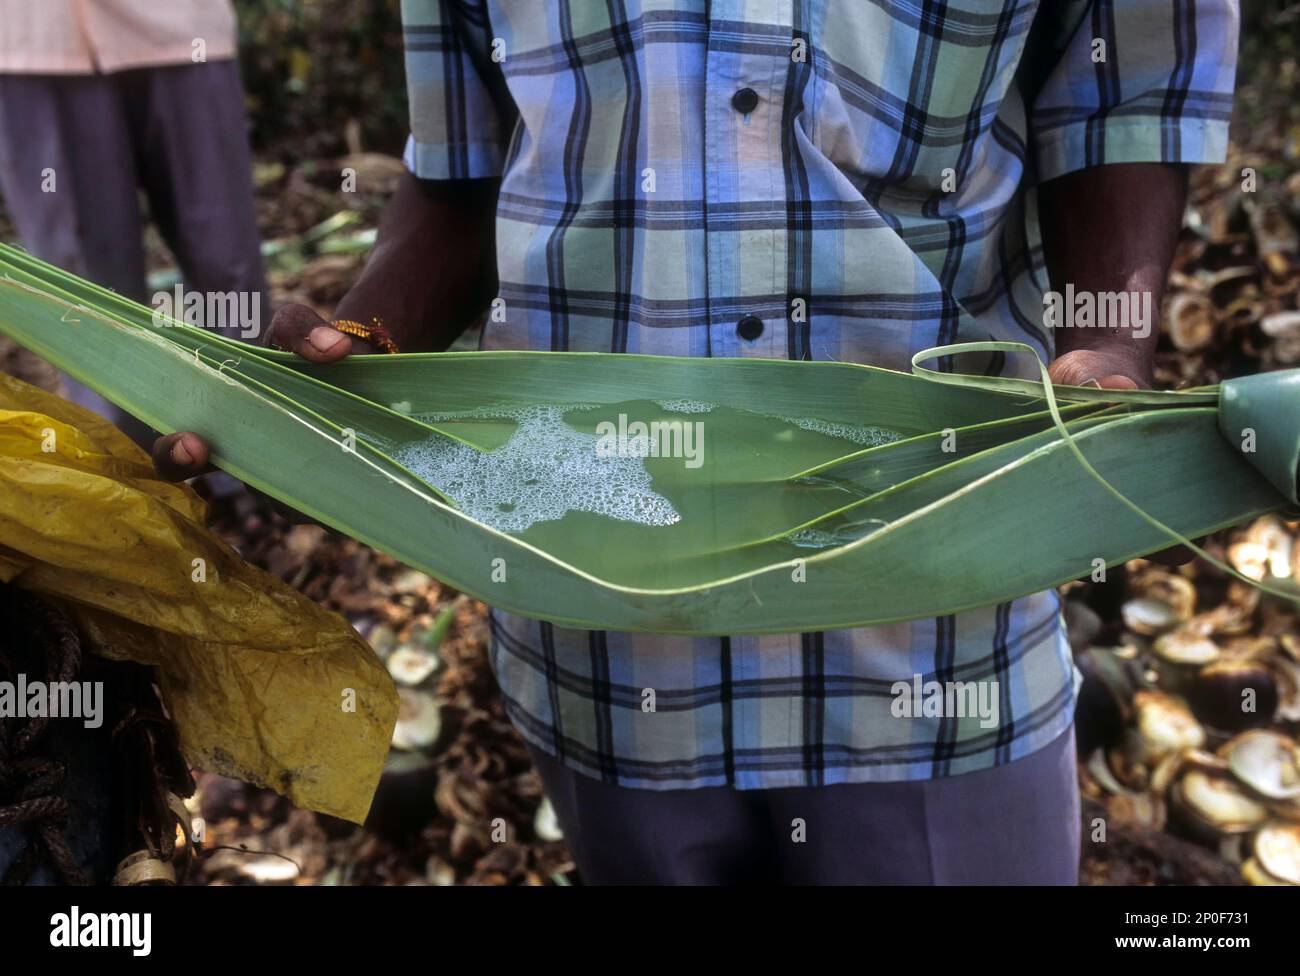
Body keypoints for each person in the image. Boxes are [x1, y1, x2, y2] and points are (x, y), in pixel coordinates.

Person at [155, 0, 1238, 884]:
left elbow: (1125, 98)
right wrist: (356, 351)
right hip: (601, 628)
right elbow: (462, 169)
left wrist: (1107, 346)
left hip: (935, 595)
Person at [0, 0, 267, 441]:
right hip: (27, 40)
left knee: (228, 271)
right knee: (83, 296)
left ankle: (258, 467)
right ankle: (138, 478)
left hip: (181, 29)